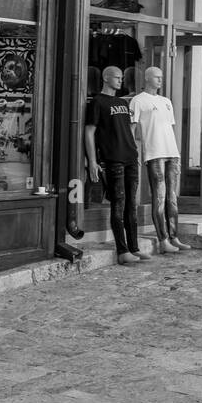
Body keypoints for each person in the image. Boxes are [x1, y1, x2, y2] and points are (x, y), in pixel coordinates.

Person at [85, 66, 150, 266]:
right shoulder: (97, 102)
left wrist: (135, 152)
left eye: (122, 77)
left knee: (131, 205)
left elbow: (128, 130)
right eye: (117, 77)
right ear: (106, 78)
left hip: (130, 157)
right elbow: (89, 132)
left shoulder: (122, 102)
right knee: (118, 203)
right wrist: (93, 161)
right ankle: (122, 251)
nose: (121, 81)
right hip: (113, 159)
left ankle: (134, 248)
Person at [130, 67, 190, 255]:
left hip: (172, 152)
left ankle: (174, 237)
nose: (160, 80)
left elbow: (170, 128)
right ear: (147, 78)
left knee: (172, 197)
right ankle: (163, 239)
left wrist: (177, 152)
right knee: (160, 197)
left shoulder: (166, 101)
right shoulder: (138, 101)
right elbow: (132, 130)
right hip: (154, 153)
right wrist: (134, 154)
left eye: (162, 77)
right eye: (157, 77)